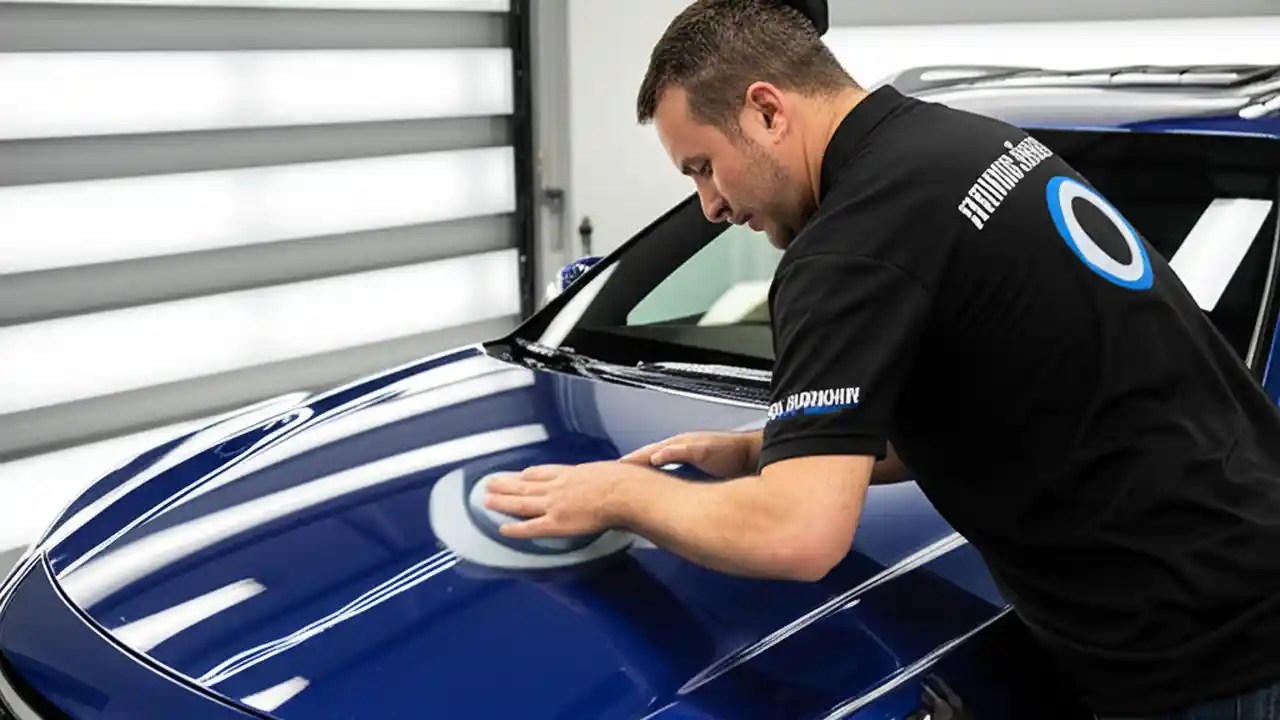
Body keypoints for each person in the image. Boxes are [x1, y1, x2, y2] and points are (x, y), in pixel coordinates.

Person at [483, 1, 1280, 717]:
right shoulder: (960, 144)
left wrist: (621, 492)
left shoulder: (849, 250)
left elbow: (800, 536)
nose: (711, 206)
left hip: (1203, 656)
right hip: (1242, 582)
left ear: (766, 110)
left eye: (701, 166)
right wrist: (769, 450)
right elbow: (989, 399)